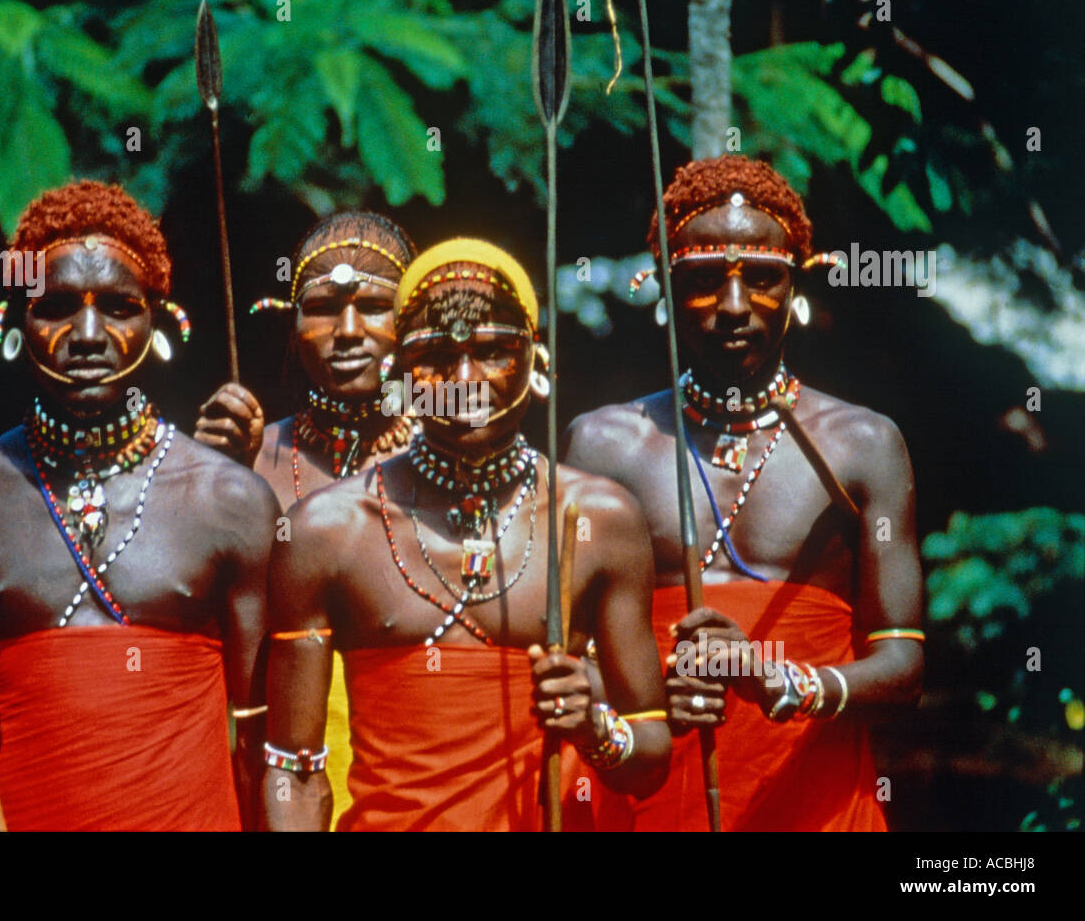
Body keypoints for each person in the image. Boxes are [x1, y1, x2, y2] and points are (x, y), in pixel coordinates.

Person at [0, 180, 279, 830]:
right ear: (15, 323)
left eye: (120, 307)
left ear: (158, 322)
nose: (89, 334)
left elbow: (265, 739)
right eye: (58, 307)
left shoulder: (230, 500)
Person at [564, 155, 924, 831]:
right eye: (704, 281)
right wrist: (646, 695)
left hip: (812, 799)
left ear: (797, 290)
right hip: (648, 797)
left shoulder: (864, 444)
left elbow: (903, 667)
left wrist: (786, 683)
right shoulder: (601, 444)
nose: (734, 307)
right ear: (666, 290)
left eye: (763, 278)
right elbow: (564, 656)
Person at [261, 237, 671, 831]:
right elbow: (294, 771)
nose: (464, 379)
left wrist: (596, 728)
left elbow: (650, 755)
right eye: (436, 357)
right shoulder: (327, 531)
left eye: (493, 351)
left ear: (537, 361)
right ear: (399, 369)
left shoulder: (598, 519)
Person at [195, 211, 418, 816]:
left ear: (413, 321)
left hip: (411, 772)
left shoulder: (451, 467)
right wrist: (206, 485)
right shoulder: (251, 458)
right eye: (320, 308)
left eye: (374, 307)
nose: (348, 331)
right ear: (293, 329)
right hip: (273, 781)